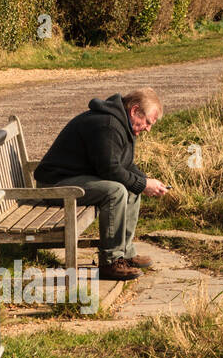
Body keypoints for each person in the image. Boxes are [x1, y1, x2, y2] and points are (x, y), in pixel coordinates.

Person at [33, 88, 169, 280]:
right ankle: (110, 262)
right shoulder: (108, 125)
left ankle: (125, 253)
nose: (148, 128)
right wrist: (143, 183)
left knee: (132, 187)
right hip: (54, 185)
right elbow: (110, 170)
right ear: (134, 110)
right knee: (116, 191)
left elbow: (125, 165)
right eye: (147, 122)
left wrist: (146, 181)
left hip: (75, 178)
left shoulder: (122, 124)